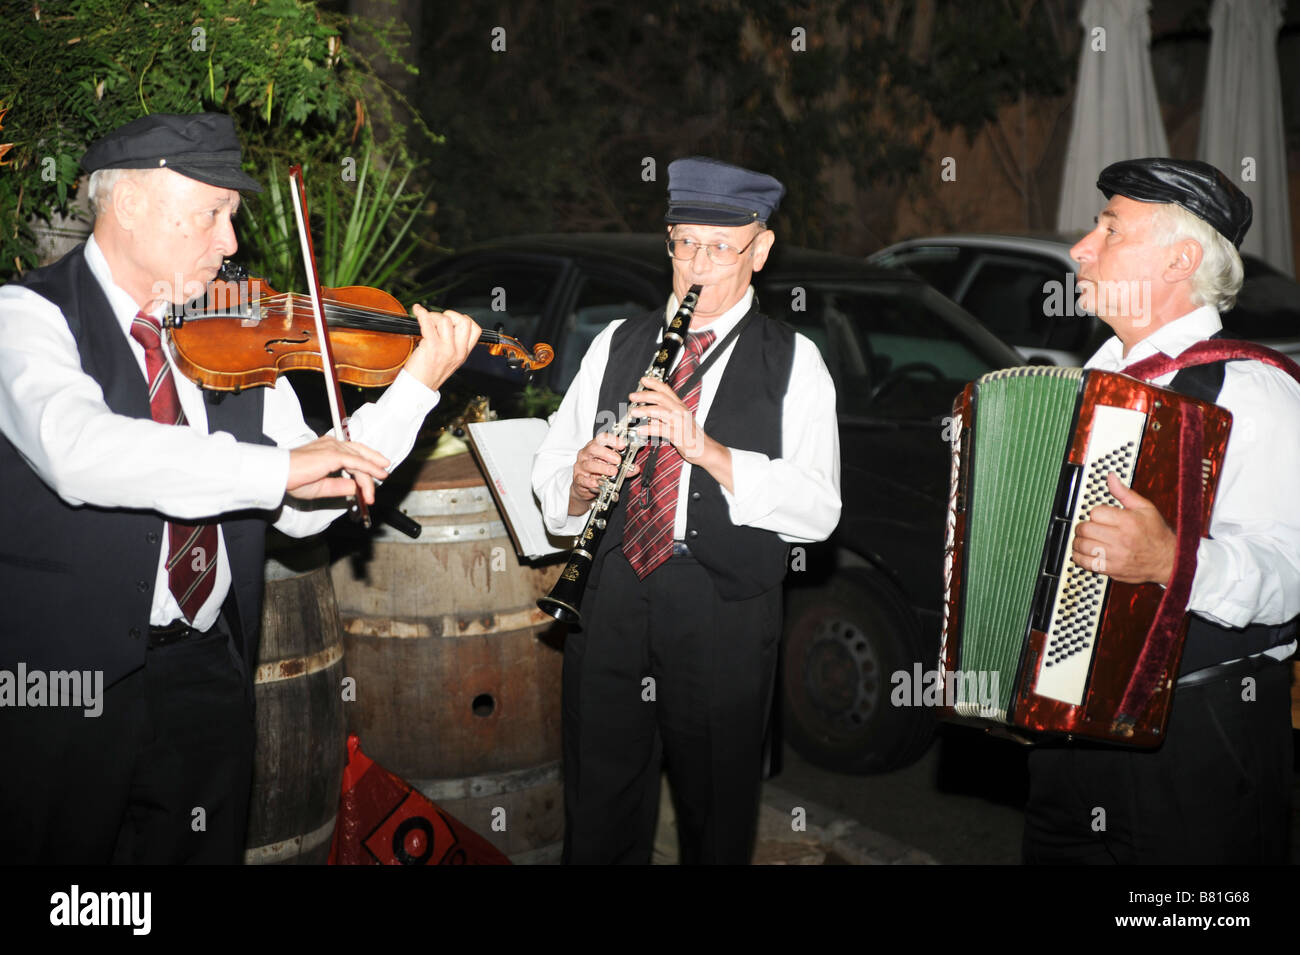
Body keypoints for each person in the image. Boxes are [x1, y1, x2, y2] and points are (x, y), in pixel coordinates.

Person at [0, 112, 480, 864]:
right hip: (70, 681)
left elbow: (306, 503)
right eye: (213, 212)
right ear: (128, 203)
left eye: (232, 216)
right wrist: (276, 469)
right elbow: (78, 450)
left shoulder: (235, 335)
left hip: (209, 671)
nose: (230, 242)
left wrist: (416, 388)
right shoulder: (26, 317)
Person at [532, 157, 841, 864]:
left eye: (719, 247)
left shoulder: (796, 361)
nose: (696, 266)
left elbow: (819, 509)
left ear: (760, 251)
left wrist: (708, 450)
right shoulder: (617, 342)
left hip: (720, 610)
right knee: (599, 808)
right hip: (608, 602)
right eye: (683, 244)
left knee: (715, 818)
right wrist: (580, 483)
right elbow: (550, 474)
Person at [1023, 157, 1300, 864]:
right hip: (1069, 729)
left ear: (1181, 258)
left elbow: (1291, 573)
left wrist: (1172, 561)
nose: (1082, 249)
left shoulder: (1254, 390)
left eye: (1109, 229)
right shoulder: (1092, 376)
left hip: (1198, 739)